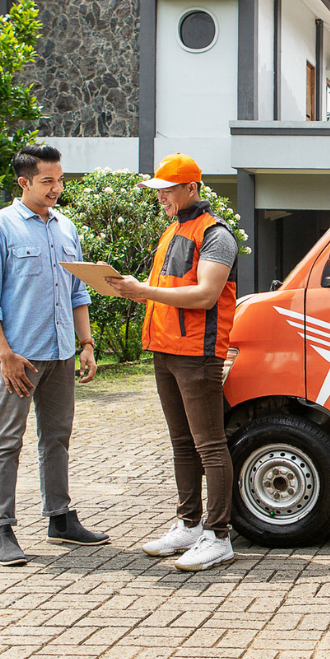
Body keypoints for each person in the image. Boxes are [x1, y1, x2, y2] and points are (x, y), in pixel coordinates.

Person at [105, 152, 241, 572]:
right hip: (166, 349)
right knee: (183, 444)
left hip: (198, 352)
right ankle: (189, 525)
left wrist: (142, 291)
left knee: (210, 445)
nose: (161, 196)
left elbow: (204, 295)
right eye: (158, 191)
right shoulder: (173, 230)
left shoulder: (217, 235)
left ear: (191, 189)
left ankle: (219, 536)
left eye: (167, 190)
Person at [0, 144, 103, 566]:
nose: (57, 188)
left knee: (57, 438)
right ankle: (2, 529)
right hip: (19, 357)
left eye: (60, 180)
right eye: (48, 181)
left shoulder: (66, 228)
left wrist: (86, 345)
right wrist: (5, 354)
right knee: (7, 441)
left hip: (63, 352)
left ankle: (60, 518)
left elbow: (78, 290)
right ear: (24, 182)